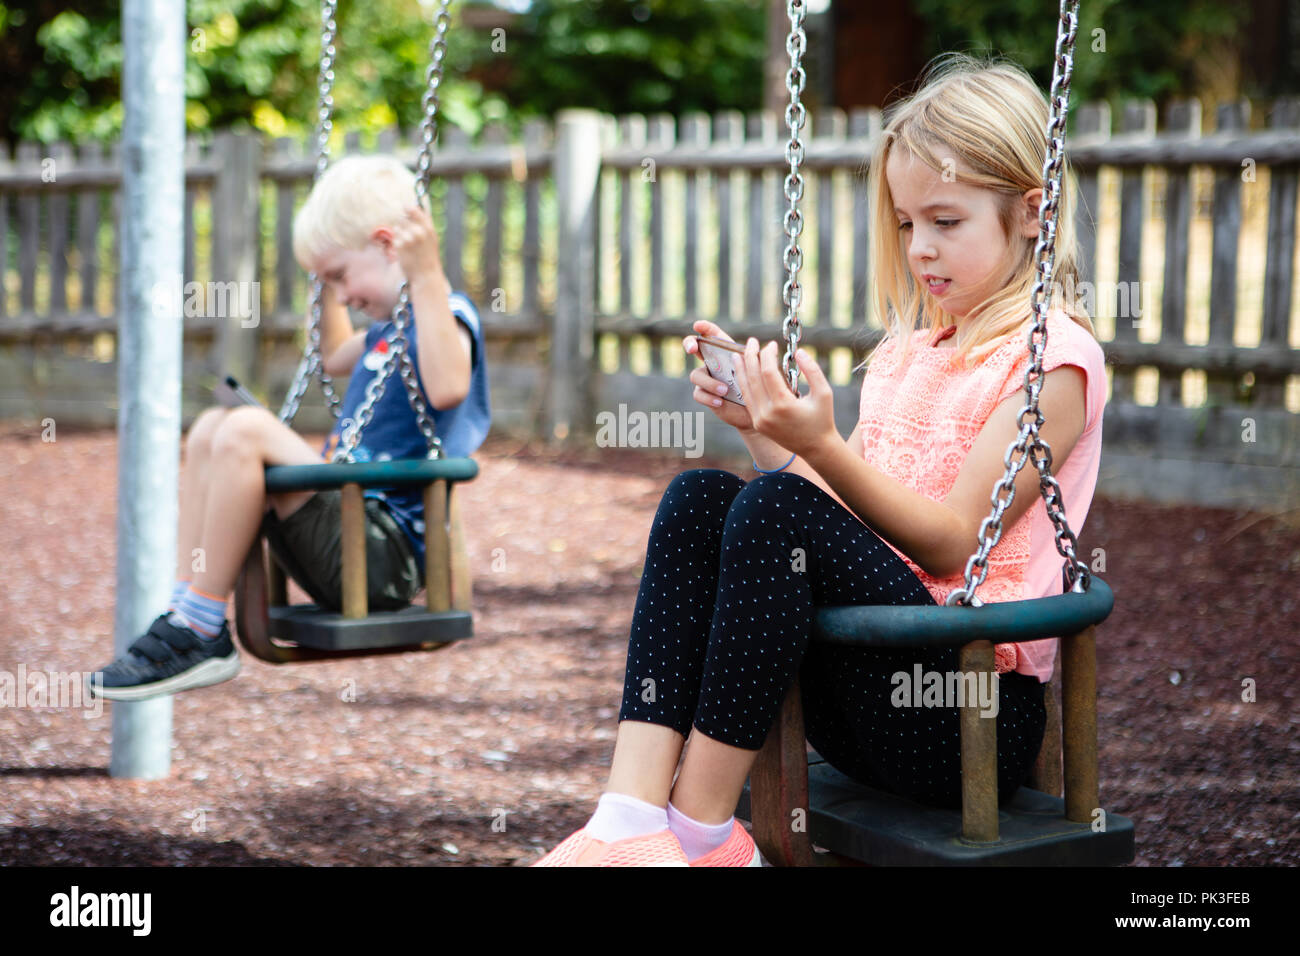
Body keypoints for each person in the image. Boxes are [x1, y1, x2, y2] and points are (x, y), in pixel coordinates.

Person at [534, 55, 1107, 867]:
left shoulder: (1056, 364)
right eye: (908, 224)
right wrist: (766, 434)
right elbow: (841, 520)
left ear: (1030, 214)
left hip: (961, 718)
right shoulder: (911, 353)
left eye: (946, 222)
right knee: (702, 497)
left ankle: (700, 837)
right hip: (861, 692)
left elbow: (949, 543)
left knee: (774, 508)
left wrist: (819, 445)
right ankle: (627, 816)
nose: (920, 249)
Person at [89, 155, 491, 701]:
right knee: (213, 426)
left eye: (341, 276)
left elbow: (447, 387)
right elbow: (330, 356)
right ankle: (187, 610)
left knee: (246, 430)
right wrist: (322, 282)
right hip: (347, 535)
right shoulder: (382, 332)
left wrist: (426, 272)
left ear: (389, 245)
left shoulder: (445, 314)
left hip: (382, 555)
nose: (344, 294)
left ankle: (202, 627)